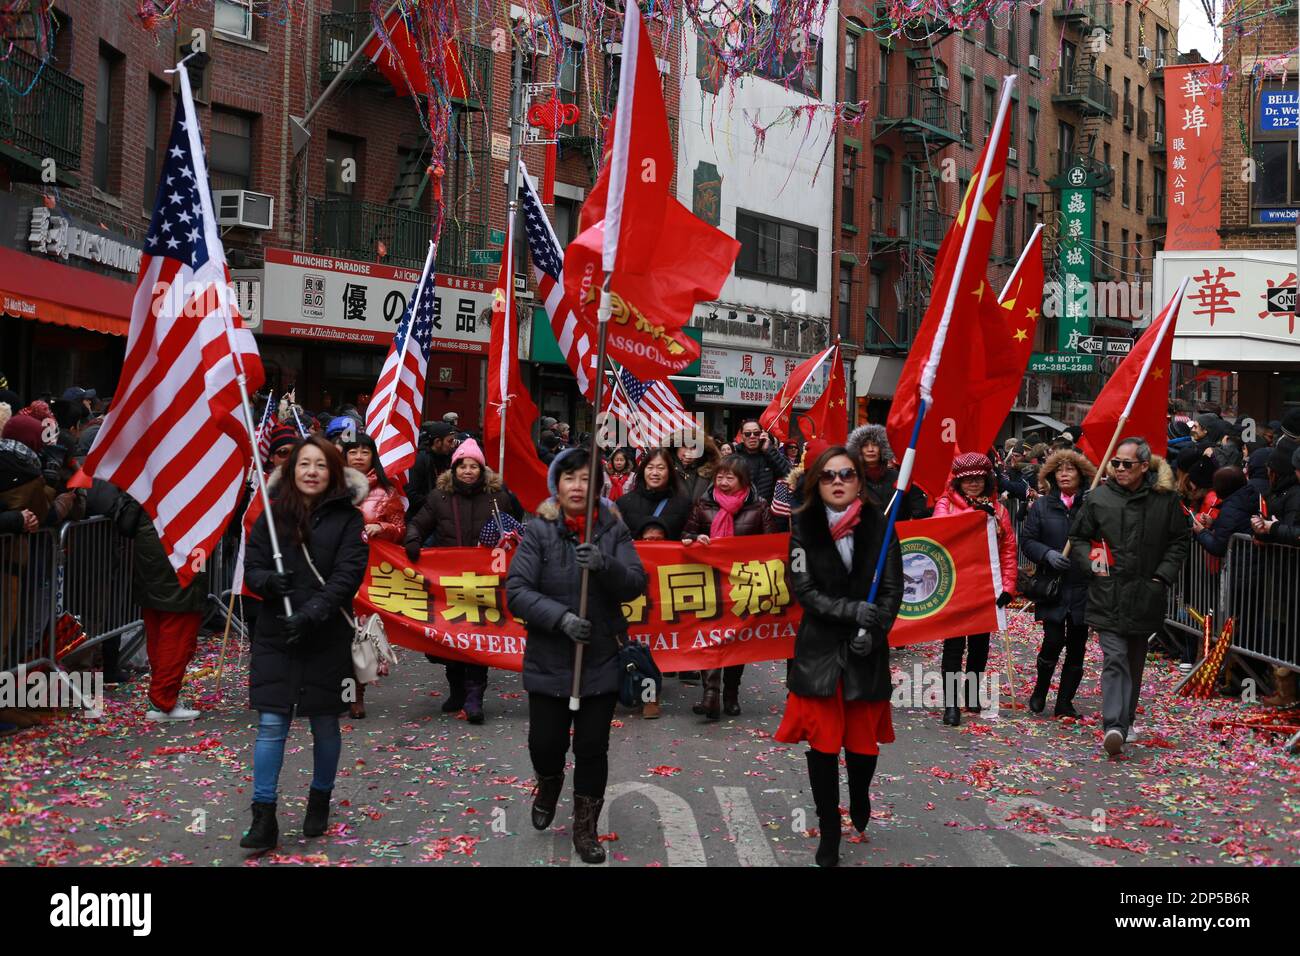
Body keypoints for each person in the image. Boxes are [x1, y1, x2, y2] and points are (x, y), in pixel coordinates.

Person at [504, 447, 647, 864]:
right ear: (557, 484)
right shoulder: (539, 530)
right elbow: (518, 591)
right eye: (569, 478)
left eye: (586, 477)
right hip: (549, 657)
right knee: (545, 744)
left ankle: (585, 826)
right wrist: (561, 619)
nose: (577, 486)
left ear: (598, 484)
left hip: (600, 657)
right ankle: (548, 781)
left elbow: (635, 583)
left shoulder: (613, 529)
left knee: (591, 747)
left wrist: (605, 566)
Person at [775, 446, 903, 866]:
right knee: (824, 747)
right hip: (820, 652)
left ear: (859, 481)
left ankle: (861, 794)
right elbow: (803, 588)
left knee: (863, 747)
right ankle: (829, 828)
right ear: (816, 482)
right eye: (828, 475)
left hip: (867, 652)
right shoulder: (801, 527)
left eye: (846, 474)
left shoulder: (881, 527)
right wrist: (851, 612)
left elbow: (891, 589)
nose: (837, 482)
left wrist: (876, 626)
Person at [240, 437, 369, 850]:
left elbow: (346, 577)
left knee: (324, 721)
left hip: (325, 634)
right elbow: (253, 564)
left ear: (333, 472)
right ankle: (264, 817)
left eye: (320, 465)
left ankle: (320, 798)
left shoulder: (349, 521)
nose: (311, 472)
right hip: (276, 634)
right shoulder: (273, 516)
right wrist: (266, 582)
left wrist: (311, 614)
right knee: (271, 723)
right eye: (303, 465)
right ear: (292, 470)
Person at [1069, 437, 1189, 757]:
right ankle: (1114, 726)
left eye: (1127, 464)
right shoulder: (1098, 498)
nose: (1119, 469)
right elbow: (1079, 538)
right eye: (1116, 463)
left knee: (1134, 661)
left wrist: (1161, 575)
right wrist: (1095, 564)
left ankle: (1126, 719)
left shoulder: (1165, 500)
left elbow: (1180, 540)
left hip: (1145, 594)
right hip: (1107, 592)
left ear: (1144, 467)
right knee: (1115, 657)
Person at [404, 437, 521, 723]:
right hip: (449, 582)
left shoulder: (497, 497)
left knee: (478, 637)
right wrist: (412, 540)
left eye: (474, 466)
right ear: (454, 469)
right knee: (450, 638)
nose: (468, 471)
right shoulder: (438, 497)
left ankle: (474, 696)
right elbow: (418, 523)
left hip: (483, 581)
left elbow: (515, 525)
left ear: (482, 470)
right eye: (462, 466)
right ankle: (456, 687)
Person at [682, 454, 775, 718]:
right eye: (719, 476)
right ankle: (710, 694)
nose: (723, 482)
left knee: (736, 640)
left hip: (743, 584)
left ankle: (731, 693)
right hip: (710, 582)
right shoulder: (703, 504)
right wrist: (694, 538)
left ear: (743, 480)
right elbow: (686, 534)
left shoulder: (759, 507)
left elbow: (771, 545)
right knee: (709, 636)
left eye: (729, 477)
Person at [932, 453, 1018, 726]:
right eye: (967, 480)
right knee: (954, 647)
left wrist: (1008, 587)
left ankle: (971, 695)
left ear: (987, 480)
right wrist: (973, 517)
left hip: (985, 587)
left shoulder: (1000, 511)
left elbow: (1008, 551)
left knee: (980, 647)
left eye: (978, 479)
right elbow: (939, 533)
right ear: (958, 482)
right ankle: (950, 704)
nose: (972, 484)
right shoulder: (945, 504)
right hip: (955, 586)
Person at [1019, 449, 1097, 718]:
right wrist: (1047, 554)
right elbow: (1027, 541)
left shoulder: (1091, 505)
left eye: (1070, 469)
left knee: (1078, 645)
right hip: (1053, 586)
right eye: (1059, 470)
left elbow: (1101, 543)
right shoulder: (1042, 505)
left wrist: (1095, 569)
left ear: (1080, 474)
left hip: (1081, 587)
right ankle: (1040, 690)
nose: (1064, 474)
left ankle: (1065, 701)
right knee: (1053, 640)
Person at [341, 433, 405, 719]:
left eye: (364, 452)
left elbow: (400, 528)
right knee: (336, 636)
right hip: (332, 570)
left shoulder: (388, 491)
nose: (358, 456)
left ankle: (356, 696)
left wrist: (383, 528)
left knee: (361, 637)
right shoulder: (329, 486)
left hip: (368, 574)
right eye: (352, 451)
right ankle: (336, 694)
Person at [844, 423, 930, 518]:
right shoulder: (852, 479)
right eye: (865, 445)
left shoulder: (900, 478)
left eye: (875, 445)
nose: (870, 449)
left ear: (882, 449)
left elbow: (921, 509)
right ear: (858, 450)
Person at [618, 447, 693, 540]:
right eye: (650, 467)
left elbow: (689, 535)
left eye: (661, 468)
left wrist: (693, 539)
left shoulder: (684, 504)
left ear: (670, 472)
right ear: (643, 470)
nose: (655, 473)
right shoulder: (624, 503)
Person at [734, 419, 791, 504]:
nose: (752, 436)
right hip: (741, 510)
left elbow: (789, 474)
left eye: (756, 433)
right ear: (742, 436)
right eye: (747, 434)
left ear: (762, 434)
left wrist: (769, 450)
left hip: (766, 511)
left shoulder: (772, 455)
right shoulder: (734, 458)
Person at [675, 436, 721, 502]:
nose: (687, 453)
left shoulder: (710, 473)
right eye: (684, 446)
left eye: (693, 448)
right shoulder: (666, 470)